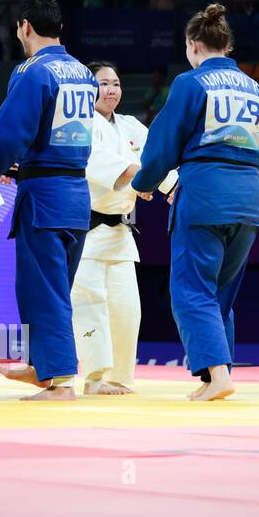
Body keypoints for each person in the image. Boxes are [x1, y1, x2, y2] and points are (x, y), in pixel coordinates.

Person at [131, 5, 259, 401]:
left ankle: (219, 376)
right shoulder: (257, 90)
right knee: (220, 292)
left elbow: (164, 140)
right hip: (249, 199)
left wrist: (146, 182)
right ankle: (214, 376)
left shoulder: (191, 83)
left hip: (206, 195)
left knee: (192, 289)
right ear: (227, 45)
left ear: (194, 46)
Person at [0, 0, 97, 401]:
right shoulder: (84, 73)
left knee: (45, 288)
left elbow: (8, 135)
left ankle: (63, 379)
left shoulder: (33, 71)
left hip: (44, 195)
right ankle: (43, 367)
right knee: (48, 285)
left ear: (25, 28)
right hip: (76, 193)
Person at [73, 62, 176, 396]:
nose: (111, 90)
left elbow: (154, 159)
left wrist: (172, 187)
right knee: (91, 305)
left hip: (120, 234)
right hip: (88, 233)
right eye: (103, 83)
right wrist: (141, 179)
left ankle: (119, 376)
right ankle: (93, 378)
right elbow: (102, 163)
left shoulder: (131, 125)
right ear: (89, 89)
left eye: (116, 83)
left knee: (126, 307)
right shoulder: (81, 125)